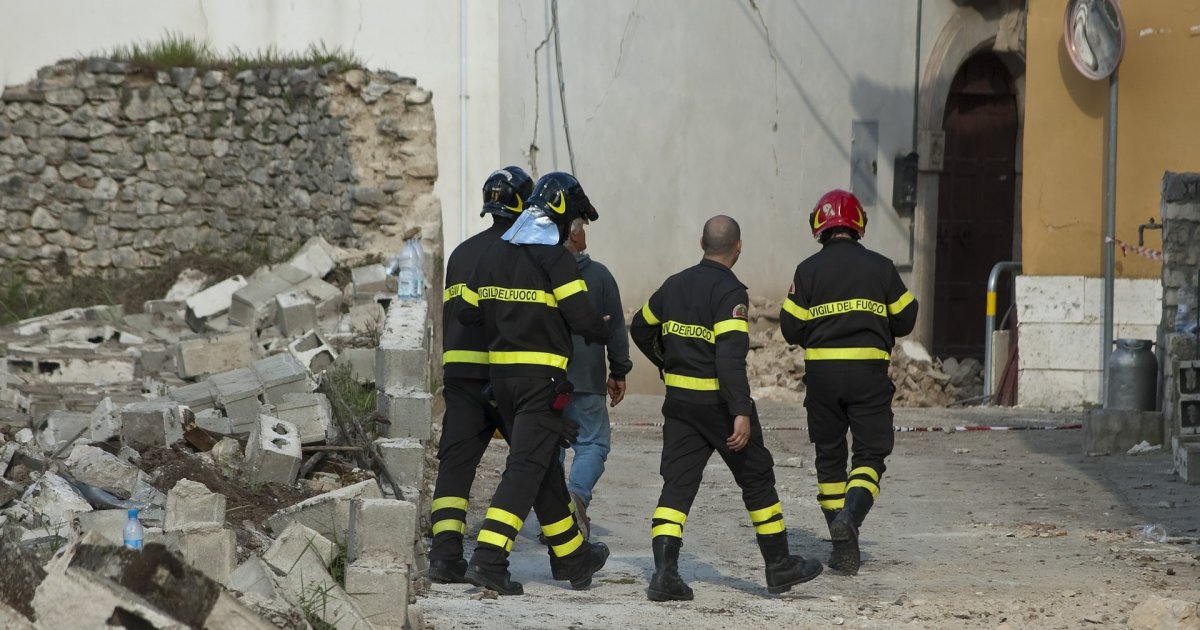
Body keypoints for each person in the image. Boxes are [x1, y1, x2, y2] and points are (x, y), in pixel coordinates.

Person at [630, 215, 823, 601]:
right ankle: (779, 565)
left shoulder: (674, 284)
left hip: (680, 405)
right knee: (757, 478)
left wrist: (666, 362)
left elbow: (640, 328)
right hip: (718, 406)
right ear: (738, 248)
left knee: (677, 485)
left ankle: (664, 575)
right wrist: (740, 411)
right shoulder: (730, 292)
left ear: (702, 243)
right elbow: (729, 358)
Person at [459, 172, 612, 595]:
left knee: (543, 468)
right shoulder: (556, 259)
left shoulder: (493, 254)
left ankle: (573, 558)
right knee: (525, 469)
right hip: (542, 384)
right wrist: (600, 328)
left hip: (502, 382)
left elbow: (467, 311)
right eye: (574, 220)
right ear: (561, 215)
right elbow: (582, 318)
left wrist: (507, 316)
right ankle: (489, 560)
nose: (573, 228)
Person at [779, 189, 918, 575]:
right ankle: (850, 518)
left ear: (819, 226)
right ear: (859, 224)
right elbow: (907, 318)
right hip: (868, 377)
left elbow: (790, 327)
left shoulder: (807, 270)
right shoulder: (881, 267)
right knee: (870, 456)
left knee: (829, 458)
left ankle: (843, 544)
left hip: (822, 378)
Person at [428, 166, 533, 583]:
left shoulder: (461, 253)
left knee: (455, 466)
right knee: (532, 459)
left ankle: (444, 556)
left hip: (460, 375)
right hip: (503, 374)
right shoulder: (519, 254)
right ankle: (569, 552)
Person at [559, 215, 632, 541]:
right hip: (586, 381)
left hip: (545, 382)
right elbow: (615, 329)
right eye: (583, 228)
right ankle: (575, 497)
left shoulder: (536, 273)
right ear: (574, 235)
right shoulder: (599, 276)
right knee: (592, 443)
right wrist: (618, 371)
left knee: (549, 445)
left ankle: (555, 511)